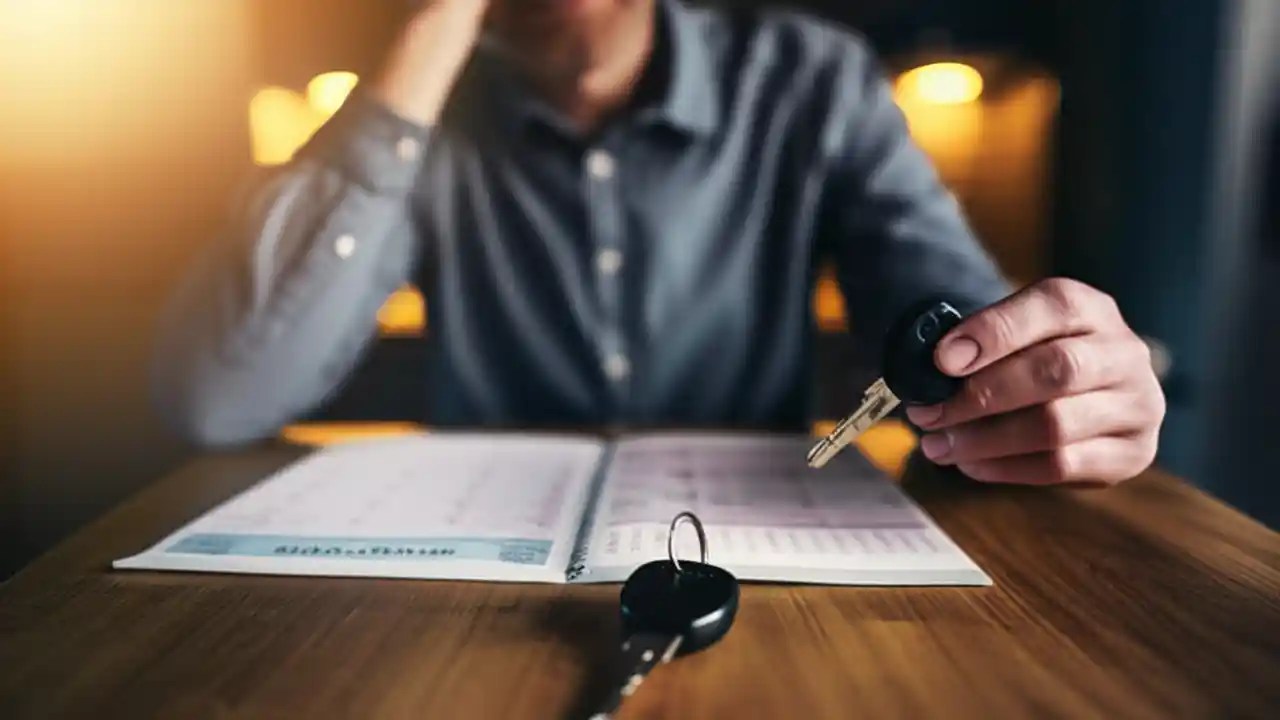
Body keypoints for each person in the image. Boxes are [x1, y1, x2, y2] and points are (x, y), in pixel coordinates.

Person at [153, 0, 1165, 487]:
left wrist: (1039, 377)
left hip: (768, 574)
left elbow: (947, 314)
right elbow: (221, 392)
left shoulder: (810, 80)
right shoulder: (425, 111)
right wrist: (424, 38)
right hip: (470, 598)